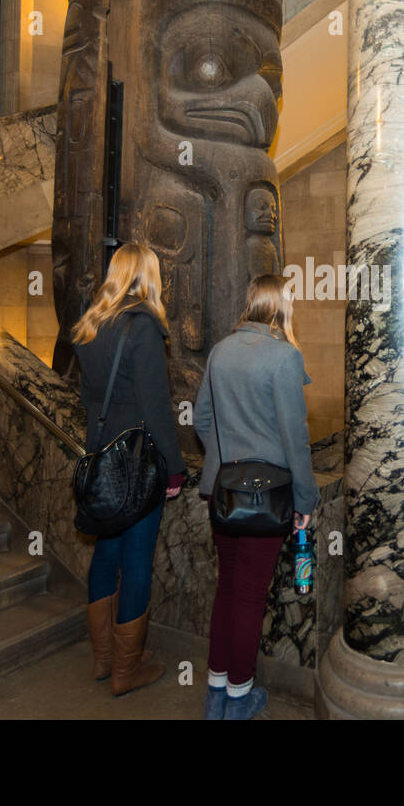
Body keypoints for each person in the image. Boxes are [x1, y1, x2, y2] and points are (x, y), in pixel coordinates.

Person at [194, 274, 317, 720]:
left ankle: (215, 693)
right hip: (268, 500)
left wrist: (227, 464)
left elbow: (202, 419)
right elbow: (294, 439)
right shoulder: (284, 357)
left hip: (222, 495)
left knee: (226, 590)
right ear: (281, 306)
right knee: (248, 596)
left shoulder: (220, 350)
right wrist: (306, 499)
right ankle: (240, 698)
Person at [72, 243, 186, 696]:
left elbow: (87, 400)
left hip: (101, 456)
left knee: (106, 553)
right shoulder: (143, 328)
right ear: (147, 276)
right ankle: (127, 669)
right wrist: (173, 469)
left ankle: (102, 660)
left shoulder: (90, 325)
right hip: (138, 460)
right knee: (137, 560)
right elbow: (157, 407)